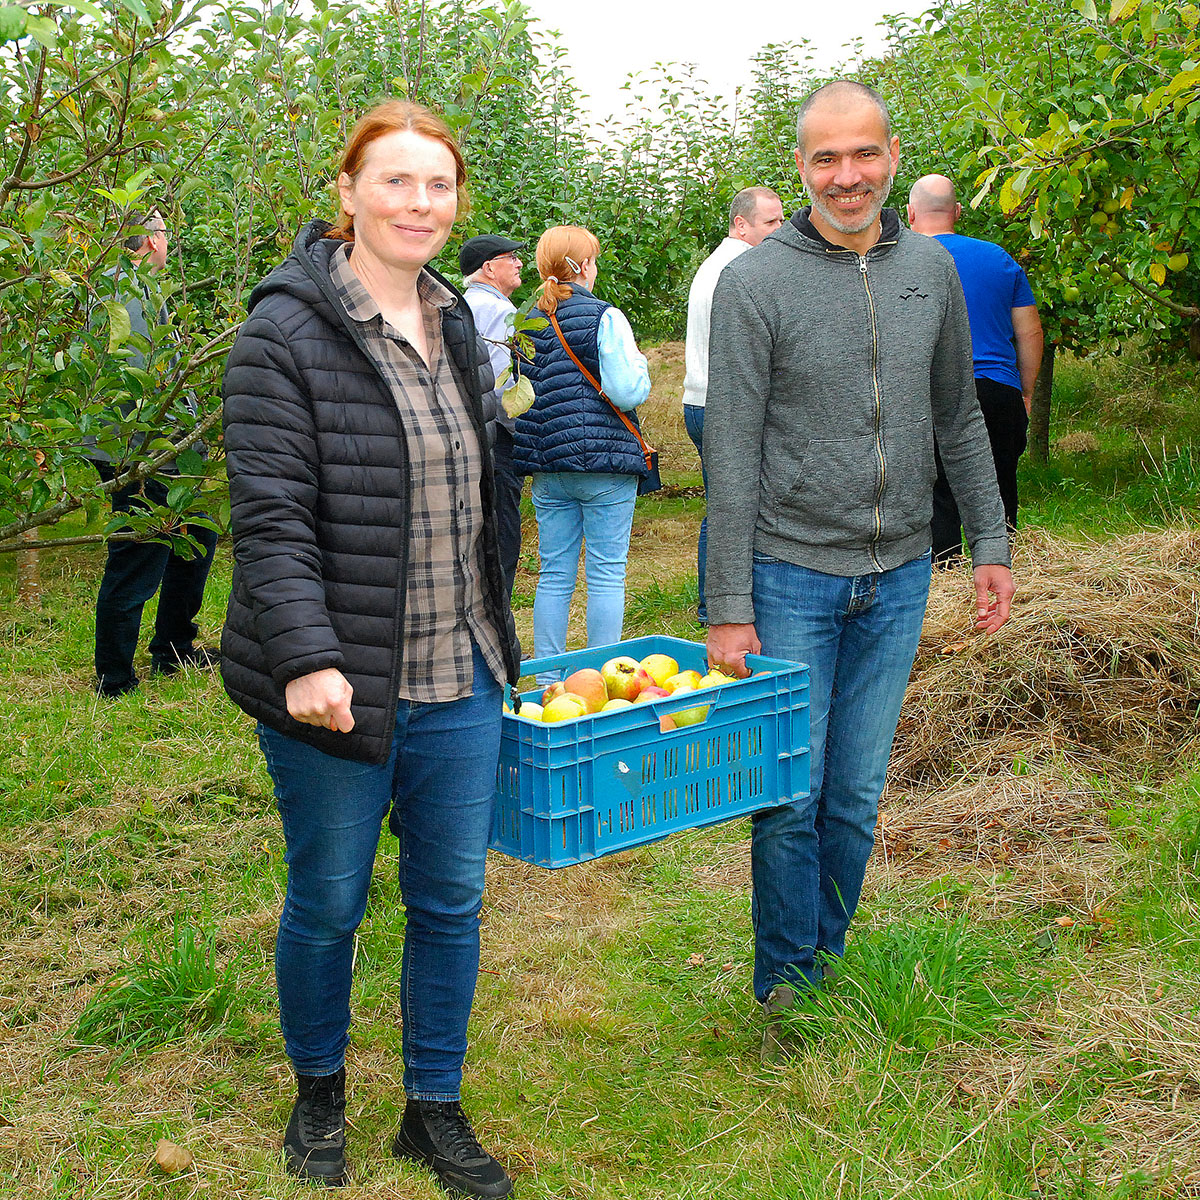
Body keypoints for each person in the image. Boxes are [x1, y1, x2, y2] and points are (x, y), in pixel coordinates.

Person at [221, 100, 520, 1198]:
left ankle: (431, 1108)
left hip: (461, 677)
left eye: (437, 186)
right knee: (330, 900)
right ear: (347, 194)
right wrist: (305, 655)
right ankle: (319, 1092)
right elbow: (271, 515)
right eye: (395, 181)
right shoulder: (283, 333)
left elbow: (484, 493)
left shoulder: (459, 322)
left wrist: (502, 628)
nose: (419, 203)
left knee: (451, 901)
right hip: (337, 686)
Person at [703, 81, 1015, 1058]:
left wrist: (991, 544)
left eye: (864, 155)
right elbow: (733, 455)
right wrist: (727, 604)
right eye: (825, 159)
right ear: (801, 168)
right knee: (788, 797)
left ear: (889, 155)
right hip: (792, 575)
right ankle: (787, 989)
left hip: (900, 575)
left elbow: (959, 417)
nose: (847, 176)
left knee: (854, 797)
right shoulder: (757, 286)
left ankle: (825, 970)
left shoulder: (932, 270)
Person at [88, 209, 218, 698]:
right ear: (146, 241)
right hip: (144, 451)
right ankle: (114, 678)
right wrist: (171, 446)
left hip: (167, 450)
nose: (168, 241)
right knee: (139, 556)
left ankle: (174, 647)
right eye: (164, 232)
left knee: (198, 537)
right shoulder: (125, 296)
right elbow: (143, 385)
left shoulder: (144, 291)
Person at [513, 225, 651, 671]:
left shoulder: (527, 321)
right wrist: (643, 366)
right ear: (584, 265)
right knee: (607, 571)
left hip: (549, 462)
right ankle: (601, 672)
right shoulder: (604, 316)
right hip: (604, 464)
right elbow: (627, 390)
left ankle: (548, 676)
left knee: (554, 574)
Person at [907, 173, 1045, 562]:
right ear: (958, 212)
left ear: (910, 213)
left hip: (929, 393)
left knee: (937, 493)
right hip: (997, 389)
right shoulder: (999, 258)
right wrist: (1025, 392)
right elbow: (1030, 332)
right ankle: (1004, 575)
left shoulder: (904, 262)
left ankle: (945, 576)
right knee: (1000, 485)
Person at [681, 187, 784, 624]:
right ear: (741, 224)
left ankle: (721, 603)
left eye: (782, 220)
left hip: (703, 400)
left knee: (727, 504)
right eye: (771, 223)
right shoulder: (739, 268)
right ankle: (717, 608)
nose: (781, 230)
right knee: (732, 508)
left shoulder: (718, 263)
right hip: (721, 404)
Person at [461, 233, 525, 598]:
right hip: (498, 438)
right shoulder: (501, 313)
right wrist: (524, 432)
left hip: (467, 434)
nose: (519, 264)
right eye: (510, 258)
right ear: (489, 268)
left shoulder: (460, 306)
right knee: (503, 536)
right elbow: (504, 388)